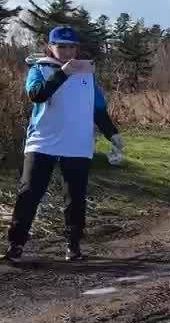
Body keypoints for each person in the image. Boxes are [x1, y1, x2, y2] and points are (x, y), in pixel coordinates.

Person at [5, 26, 124, 262]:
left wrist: (113, 135)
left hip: (77, 143)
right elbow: (37, 95)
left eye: (71, 47)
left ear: (77, 49)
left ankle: (73, 244)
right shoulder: (38, 69)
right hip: (42, 142)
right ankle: (16, 244)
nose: (67, 51)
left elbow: (98, 109)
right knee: (29, 192)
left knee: (75, 197)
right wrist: (63, 73)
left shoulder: (87, 74)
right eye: (61, 46)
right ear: (50, 47)